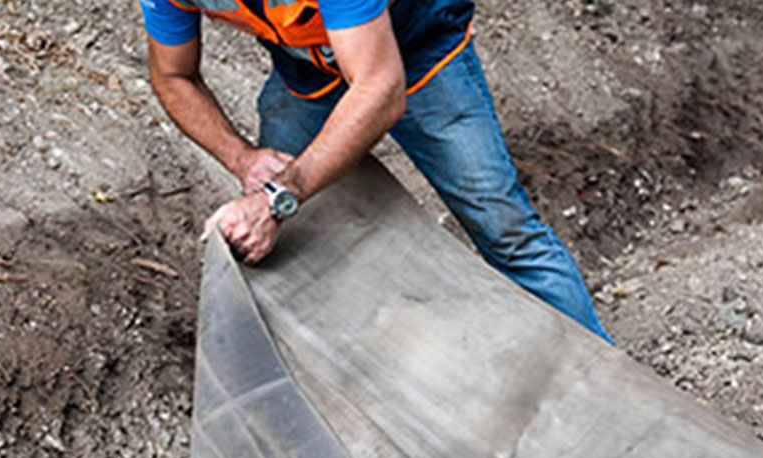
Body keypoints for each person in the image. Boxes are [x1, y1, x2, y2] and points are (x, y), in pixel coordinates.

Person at [141, 0, 613, 343]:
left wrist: (277, 197)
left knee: (505, 228)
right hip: (312, 75)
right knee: (290, 240)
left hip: (421, 59)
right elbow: (173, 75)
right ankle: (347, 376)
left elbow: (380, 90)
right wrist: (242, 159)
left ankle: (608, 395)